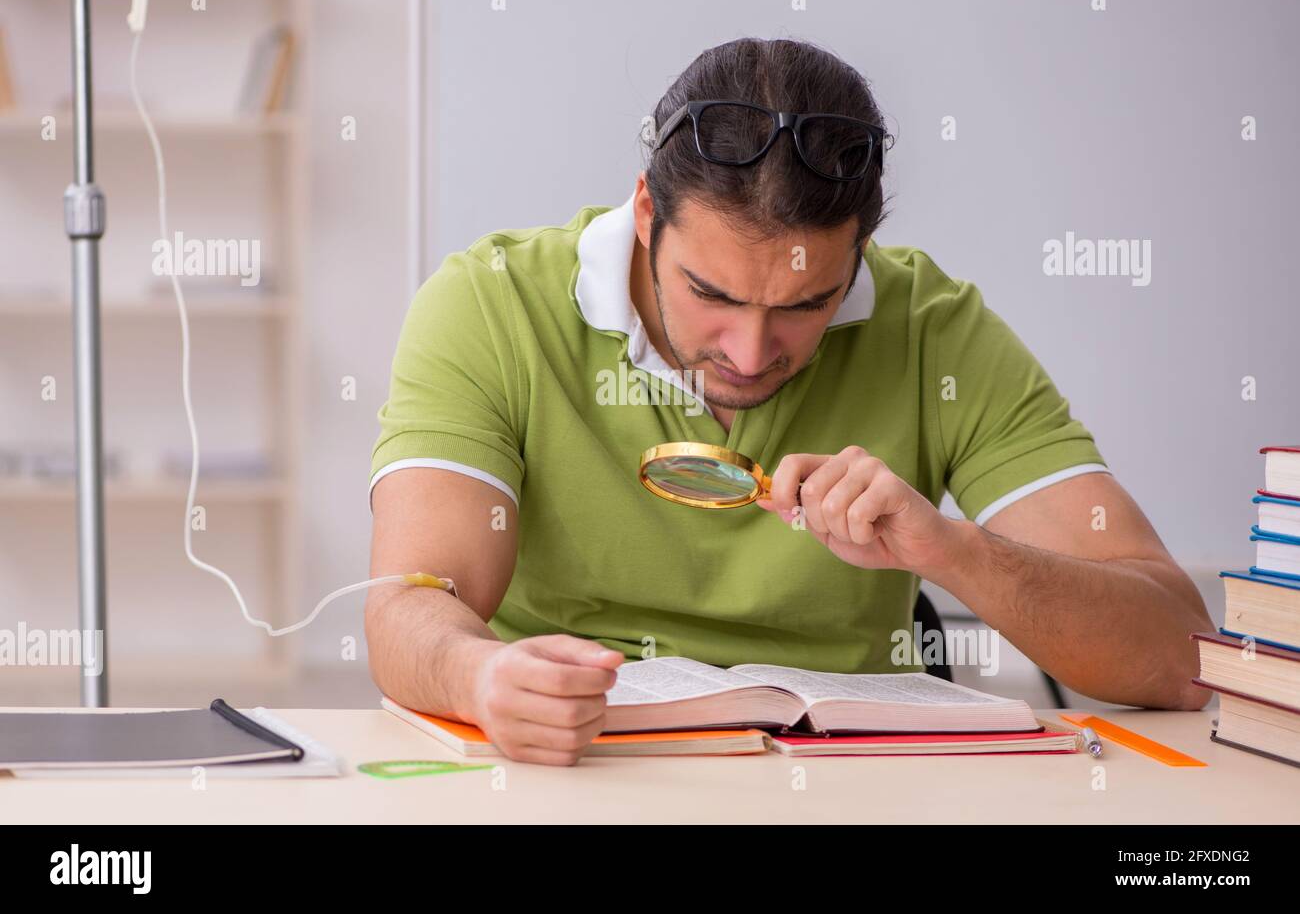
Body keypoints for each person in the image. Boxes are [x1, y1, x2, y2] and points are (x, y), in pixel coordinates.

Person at [366, 37, 1212, 766]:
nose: (748, 352)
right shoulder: (491, 305)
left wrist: (952, 550)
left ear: (860, 251)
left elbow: (1180, 655)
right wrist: (479, 677)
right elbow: (411, 604)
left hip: (849, 784)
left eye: (807, 306)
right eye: (710, 293)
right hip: (578, 765)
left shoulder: (931, 325)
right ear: (647, 210)